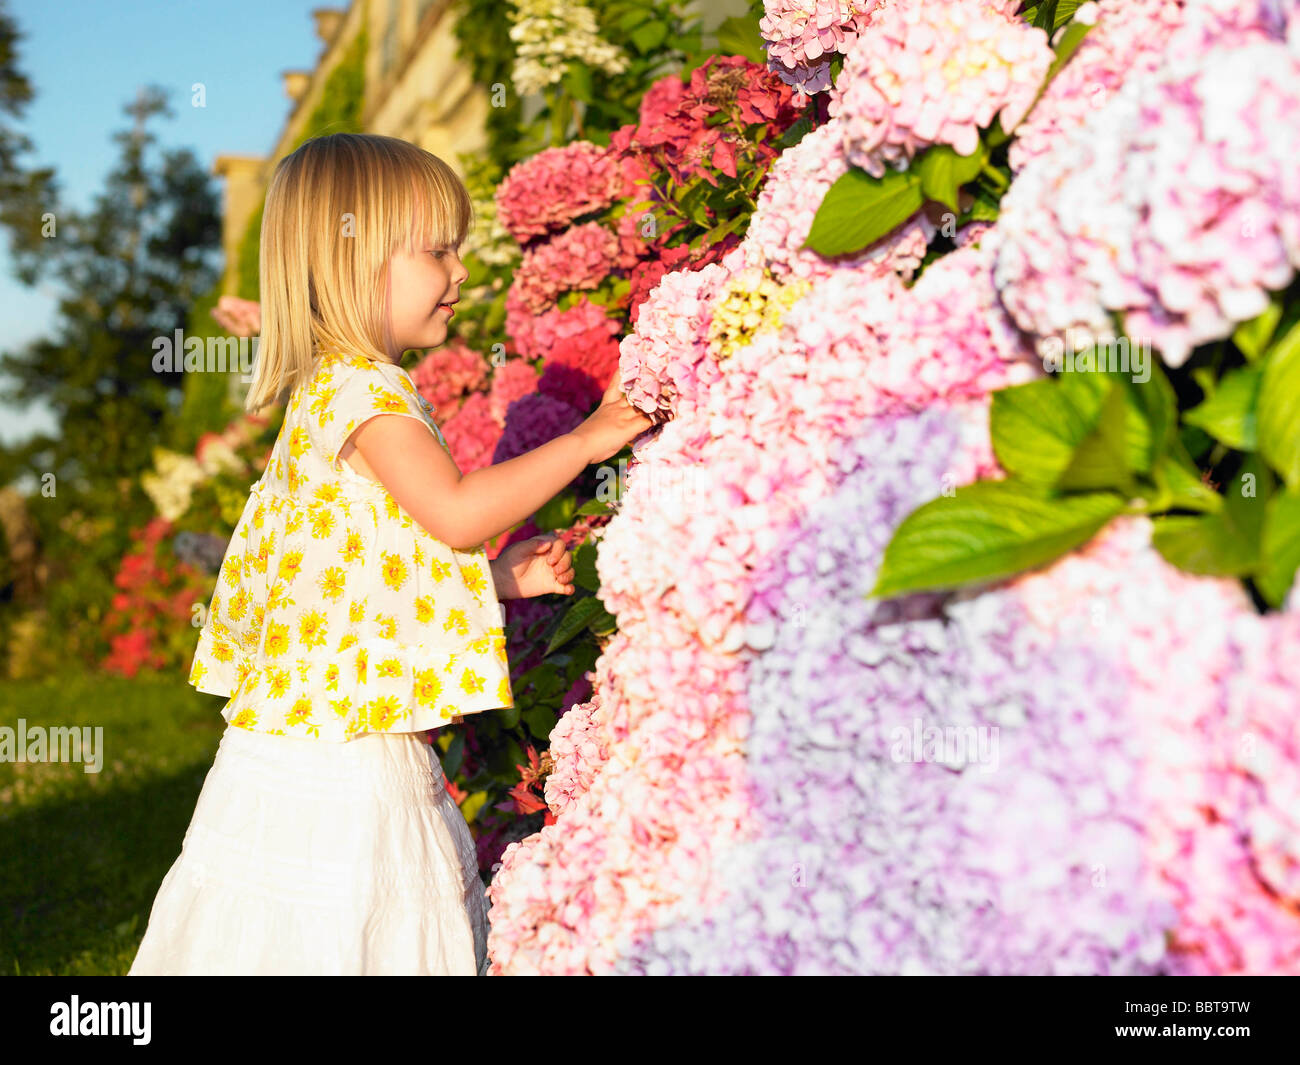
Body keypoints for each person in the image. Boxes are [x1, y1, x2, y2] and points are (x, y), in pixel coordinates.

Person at [128, 132, 653, 976]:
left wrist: (497, 579)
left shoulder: (326, 388)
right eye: (436, 250)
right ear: (357, 260)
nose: (459, 273)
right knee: (358, 931)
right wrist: (590, 440)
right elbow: (452, 513)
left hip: (295, 744)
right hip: (349, 767)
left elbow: (359, 580)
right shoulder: (369, 392)